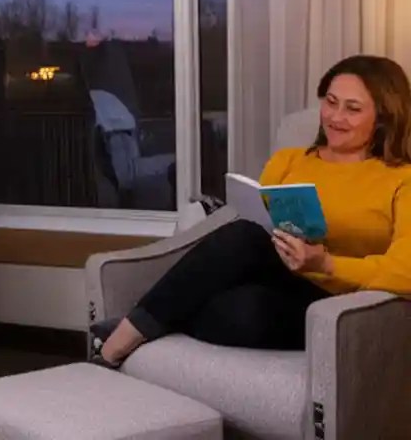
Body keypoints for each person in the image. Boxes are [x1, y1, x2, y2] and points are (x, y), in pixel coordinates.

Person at [91, 54, 411, 367]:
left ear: (383, 116)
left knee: (243, 312)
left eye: (352, 109)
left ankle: (142, 322)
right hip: (277, 274)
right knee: (244, 237)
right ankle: (131, 333)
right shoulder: (290, 160)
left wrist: (327, 263)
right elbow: (258, 223)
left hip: (336, 302)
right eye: (330, 101)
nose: (335, 117)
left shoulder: (401, 178)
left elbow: (404, 270)